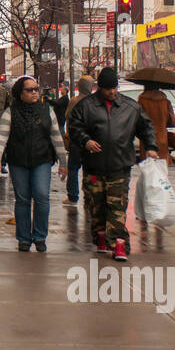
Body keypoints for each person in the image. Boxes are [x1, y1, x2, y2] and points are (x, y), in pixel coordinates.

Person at [67, 67, 158, 262]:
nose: (113, 92)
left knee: (117, 207)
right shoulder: (86, 106)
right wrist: (86, 141)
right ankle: (100, 236)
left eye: (115, 88)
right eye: (108, 89)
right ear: (100, 88)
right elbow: (74, 127)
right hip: (94, 165)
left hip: (120, 165)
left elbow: (146, 126)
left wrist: (150, 146)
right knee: (96, 205)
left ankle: (119, 245)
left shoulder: (130, 107)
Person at [0, 76, 66, 252]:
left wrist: (64, 161)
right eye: (30, 90)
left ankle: (40, 237)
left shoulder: (47, 111)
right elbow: (1, 137)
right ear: (20, 93)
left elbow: (57, 137)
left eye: (36, 89)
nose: (34, 92)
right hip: (18, 161)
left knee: (41, 196)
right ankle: (24, 238)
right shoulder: (10, 112)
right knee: (23, 199)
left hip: (42, 160)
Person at [63, 75, 95, 204]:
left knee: (73, 169)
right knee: (91, 170)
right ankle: (90, 194)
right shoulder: (94, 101)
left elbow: (67, 117)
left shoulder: (74, 101)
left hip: (76, 140)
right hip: (91, 140)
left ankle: (72, 195)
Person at [137, 82, 175, 165]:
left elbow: (138, 119)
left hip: (147, 139)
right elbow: (172, 122)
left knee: (148, 170)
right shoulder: (165, 101)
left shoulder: (142, 99)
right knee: (161, 170)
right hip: (162, 139)